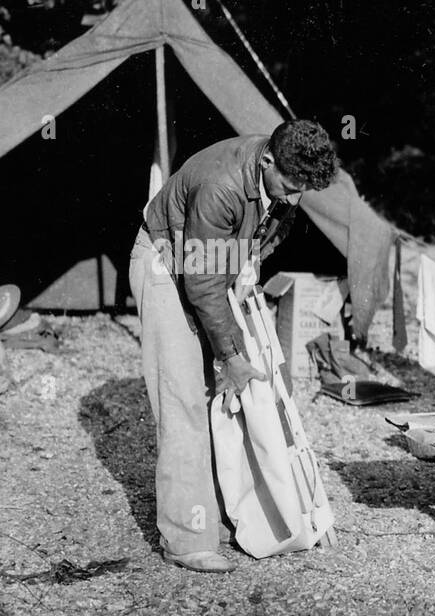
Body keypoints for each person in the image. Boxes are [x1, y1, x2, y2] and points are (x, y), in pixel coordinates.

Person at [128, 120, 340, 573]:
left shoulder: (283, 176)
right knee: (185, 399)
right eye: (290, 184)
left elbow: (270, 229)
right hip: (167, 264)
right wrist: (233, 356)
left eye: (306, 188)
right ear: (267, 160)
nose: (296, 197)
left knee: (219, 399)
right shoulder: (221, 185)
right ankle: (188, 538)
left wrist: (250, 265)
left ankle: (226, 516)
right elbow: (202, 283)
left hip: (209, 261)